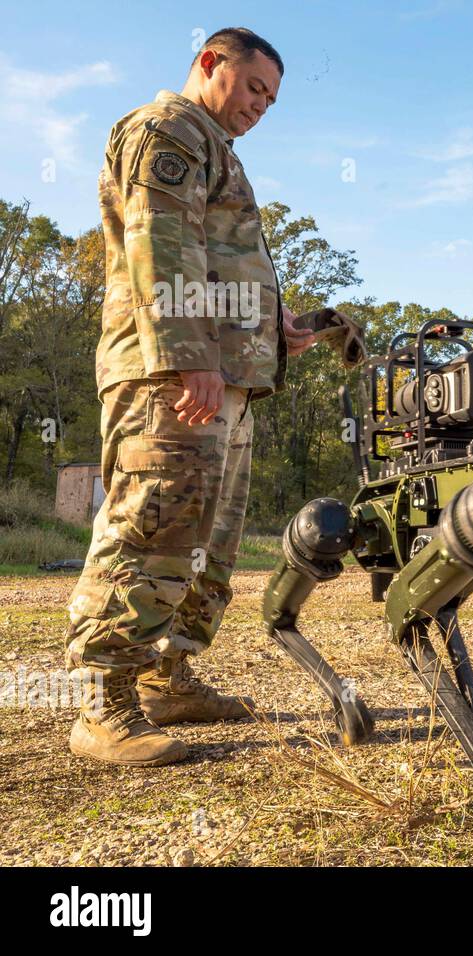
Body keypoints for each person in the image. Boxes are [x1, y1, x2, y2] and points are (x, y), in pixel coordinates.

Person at [65, 27, 317, 766]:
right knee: (152, 525)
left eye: (271, 98)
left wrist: (275, 328)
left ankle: (168, 680)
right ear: (210, 64)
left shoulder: (217, 148)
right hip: (171, 377)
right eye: (252, 87)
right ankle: (104, 705)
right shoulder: (168, 129)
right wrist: (187, 357)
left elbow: (215, 261)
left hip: (224, 379)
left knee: (207, 541)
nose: (261, 106)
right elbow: (159, 243)